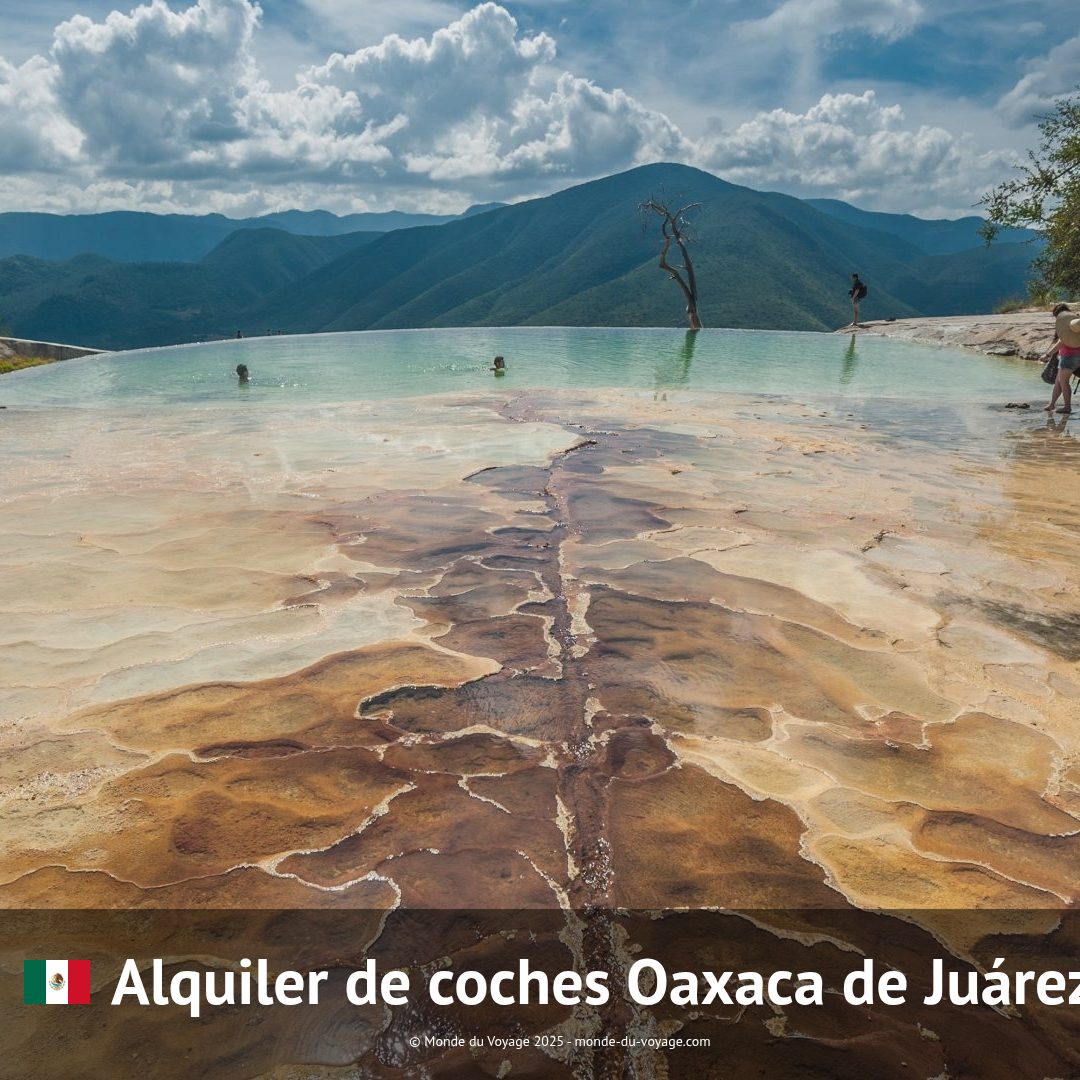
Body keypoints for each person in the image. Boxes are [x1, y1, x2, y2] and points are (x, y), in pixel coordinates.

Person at [1043, 303, 1080, 415]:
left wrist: (1047, 355)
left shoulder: (1068, 328)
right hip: (1075, 357)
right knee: (1058, 381)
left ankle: (1067, 407)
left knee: (1063, 382)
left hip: (1068, 357)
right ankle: (1052, 404)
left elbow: (1061, 342)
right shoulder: (1077, 326)